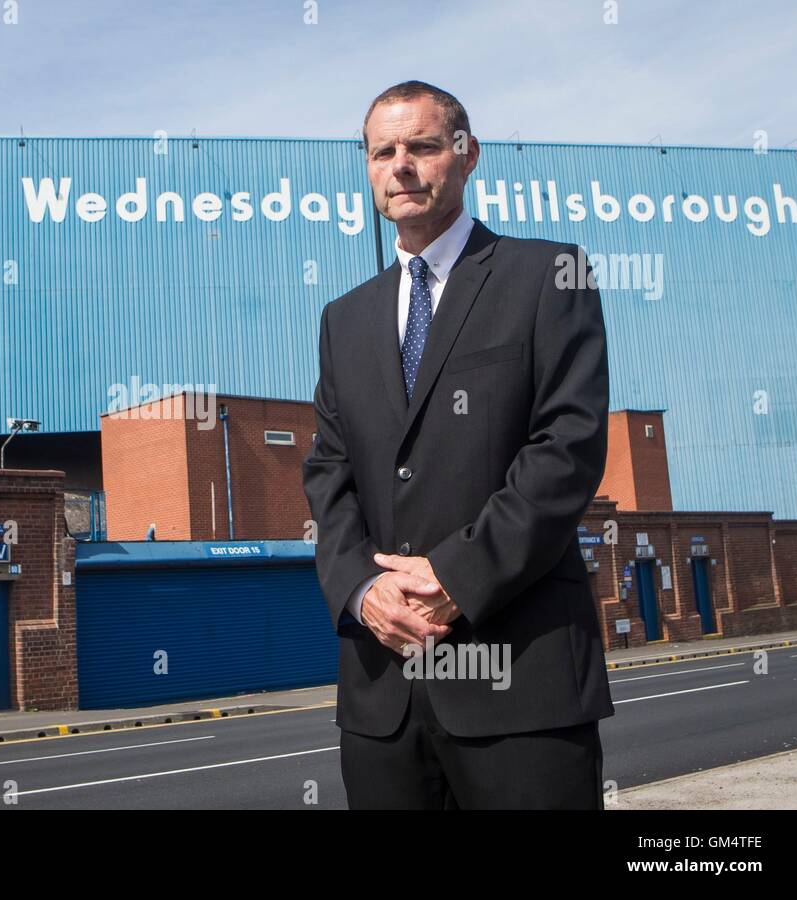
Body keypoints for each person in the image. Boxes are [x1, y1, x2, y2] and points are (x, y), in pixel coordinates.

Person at [301, 80, 614, 809]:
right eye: (384, 151)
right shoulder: (342, 320)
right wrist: (360, 587)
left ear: (467, 155)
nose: (401, 165)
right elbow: (328, 472)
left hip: (522, 686)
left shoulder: (549, 276)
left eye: (423, 146)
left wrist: (458, 577)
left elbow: (565, 448)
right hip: (382, 698)